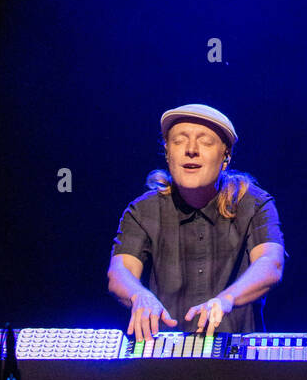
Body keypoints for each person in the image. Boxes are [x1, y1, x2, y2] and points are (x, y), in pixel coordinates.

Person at [107, 104, 285, 343]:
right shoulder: (142, 210)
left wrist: (226, 299)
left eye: (205, 142)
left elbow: (270, 264)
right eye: (180, 141)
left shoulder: (254, 203)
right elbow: (120, 271)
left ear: (226, 156)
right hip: (162, 362)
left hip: (239, 366)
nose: (191, 150)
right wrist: (139, 295)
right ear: (168, 153)